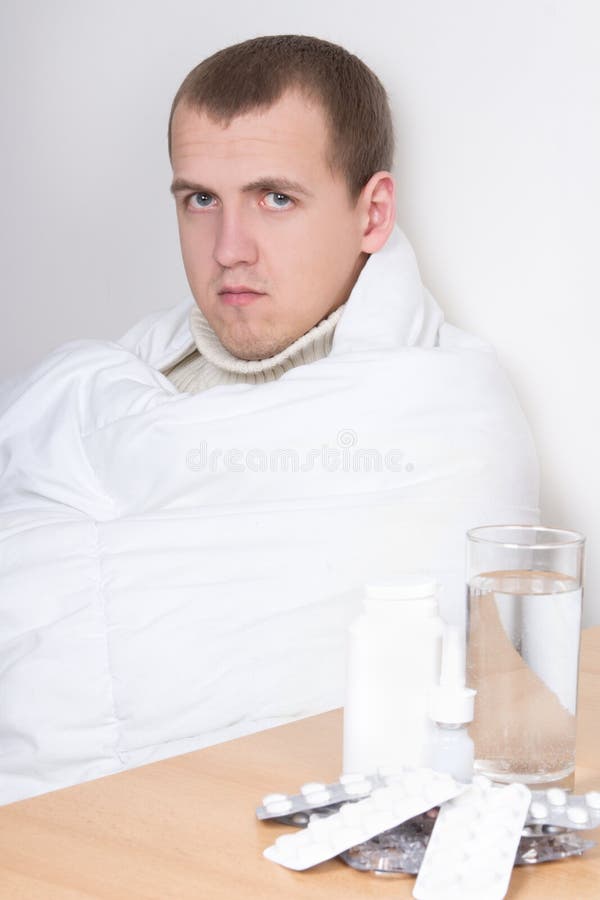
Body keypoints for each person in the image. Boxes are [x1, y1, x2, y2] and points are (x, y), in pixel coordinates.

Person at [0, 35, 539, 806]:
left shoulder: (444, 411)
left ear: (372, 213)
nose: (228, 250)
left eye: (275, 198)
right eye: (200, 200)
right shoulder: (129, 371)